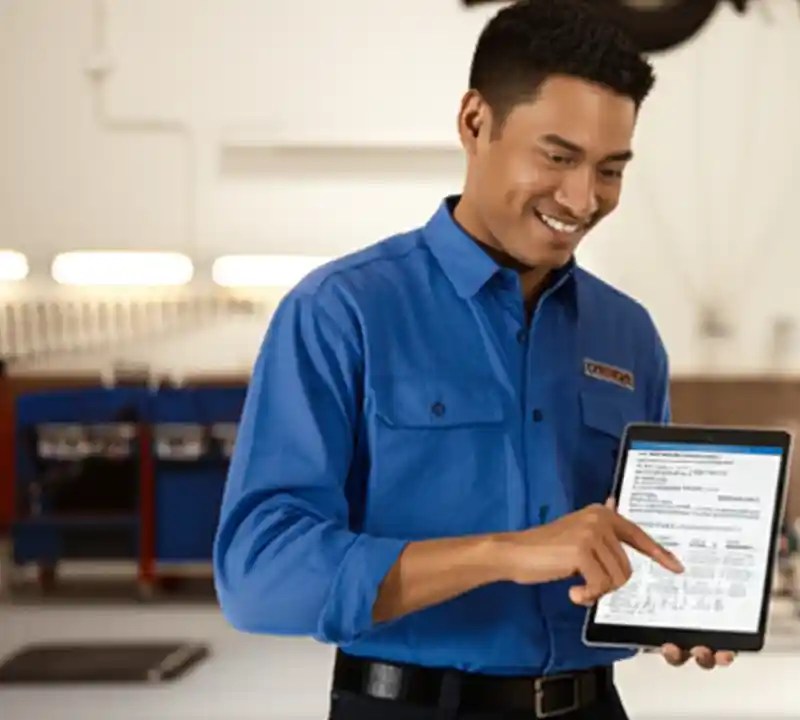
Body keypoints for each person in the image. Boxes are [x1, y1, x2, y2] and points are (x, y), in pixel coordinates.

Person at [212, 2, 731, 719]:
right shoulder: (342, 311)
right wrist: (504, 554)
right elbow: (258, 576)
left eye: (610, 169)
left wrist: (684, 602)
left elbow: (628, 548)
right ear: (475, 122)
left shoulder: (628, 334)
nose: (583, 199)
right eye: (558, 157)